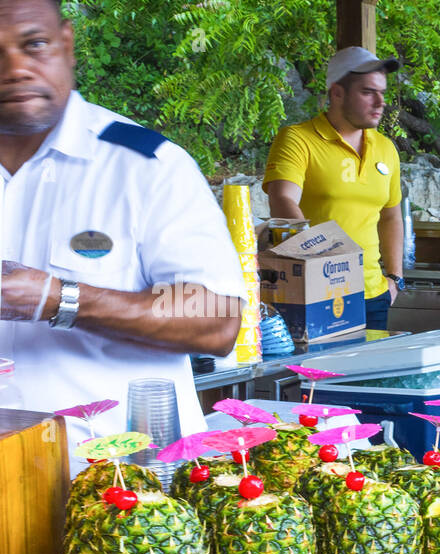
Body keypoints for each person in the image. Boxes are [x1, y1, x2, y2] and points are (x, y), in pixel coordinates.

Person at [0, 0, 244, 465]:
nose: (15, 68)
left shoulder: (144, 166)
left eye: (34, 45)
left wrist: (60, 298)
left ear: (67, 45)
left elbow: (217, 319)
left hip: (115, 492)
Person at [263, 47, 404, 332]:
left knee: (369, 377)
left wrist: (395, 278)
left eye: (382, 93)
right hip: (317, 294)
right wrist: (319, 268)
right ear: (337, 93)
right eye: (368, 92)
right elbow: (282, 199)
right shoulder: (297, 139)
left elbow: (391, 216)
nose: (380, 102)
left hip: (373, 294)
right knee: (322, 377)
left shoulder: (386, 148)